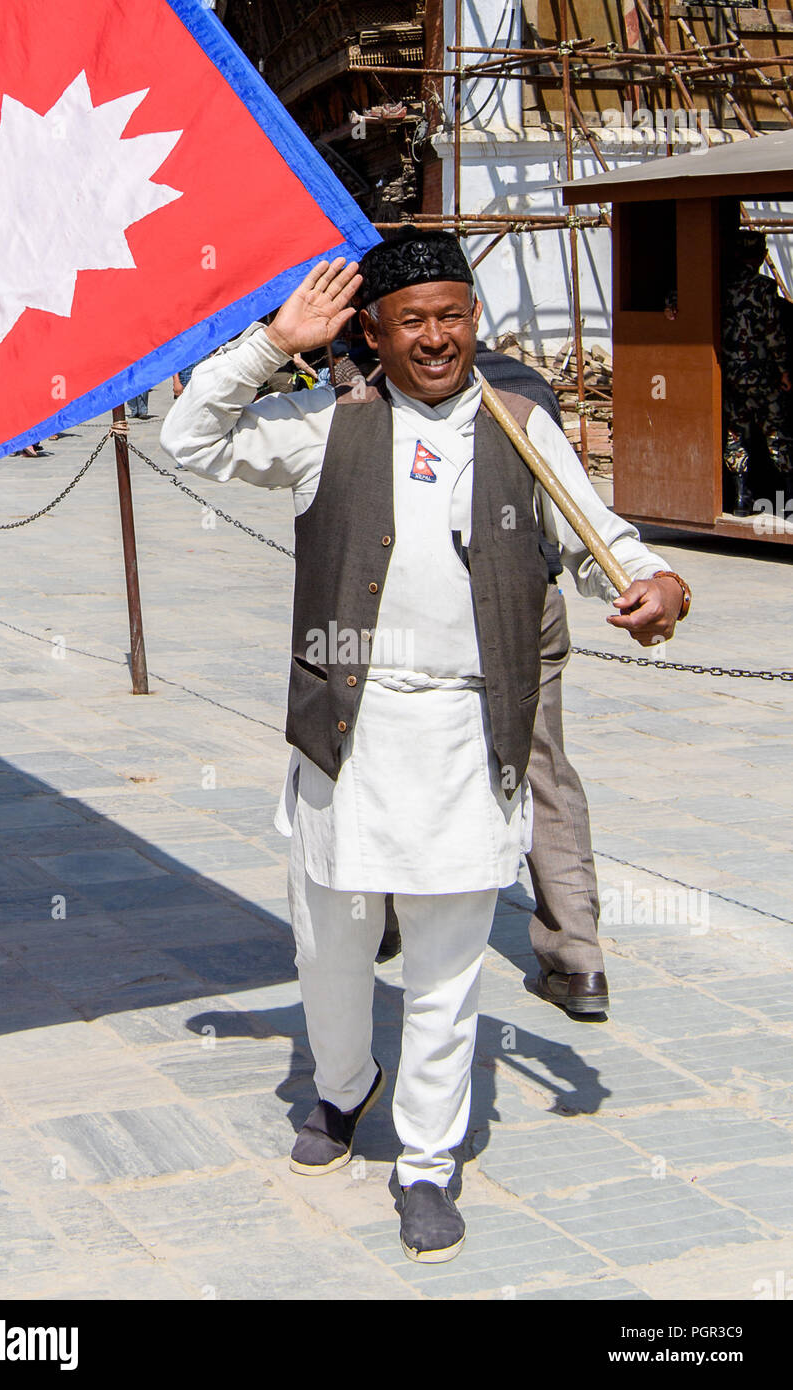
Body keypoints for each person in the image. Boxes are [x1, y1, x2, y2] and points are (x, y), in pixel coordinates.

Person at [160, 228, 689, 1264]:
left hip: (462, 732)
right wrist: (275, 341)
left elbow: (602, 543)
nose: (436, 337)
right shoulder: (324, 426)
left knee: (447, 964)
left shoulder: (521, 422)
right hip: (347, 738)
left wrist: (654, 582)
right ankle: (344, 1086)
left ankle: (428, 1158)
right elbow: (191, 438)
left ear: (472, 321)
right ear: (374, 330)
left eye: (452, 315)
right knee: (332, 945)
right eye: (413, 321)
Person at [379, 343, 614, 1015]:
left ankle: (386, 912)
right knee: (541, 765)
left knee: (403, 752)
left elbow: (582, 523)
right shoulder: (526, 383)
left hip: (468, 607)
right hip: (521, 597)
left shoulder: (378, 394)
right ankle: (578, 956)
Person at [721, 230, 793, 515]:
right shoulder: (764, 287)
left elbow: (678, 297)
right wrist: (785, 371)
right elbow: (774, 335)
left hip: (729, 376)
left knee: (736, 433)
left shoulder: (720, 284)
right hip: (762, 376)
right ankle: (788, 502)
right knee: (777, 432)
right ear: (762, 255)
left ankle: (741, 499)